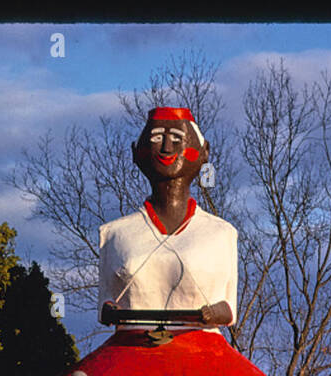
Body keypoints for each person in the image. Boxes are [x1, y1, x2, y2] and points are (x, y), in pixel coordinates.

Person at [98, 107, 236, 329]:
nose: (166, 148)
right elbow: (105, 305)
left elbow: (229, 309)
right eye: (157, 138)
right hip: (131, 350)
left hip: (202, 353)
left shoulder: (222, 233)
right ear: (137, 151)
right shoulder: (114, 233)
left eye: (177, 139)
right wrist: (111, 311)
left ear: (204, 152)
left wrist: (213, 313)